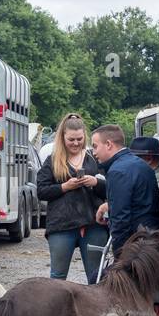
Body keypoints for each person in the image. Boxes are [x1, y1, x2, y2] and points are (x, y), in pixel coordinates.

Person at [36, 113, 109, 284]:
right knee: (58, 278)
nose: (76, 143)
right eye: (71, 139)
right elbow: (41, 191)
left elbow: (111, 189)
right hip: (62, 225)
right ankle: (57, 310)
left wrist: (96, 182)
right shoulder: (52, 160)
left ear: (85, 136)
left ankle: (96, 310)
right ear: (62, 137)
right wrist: (64, 187)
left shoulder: (94, 158)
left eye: (79, 139)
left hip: (93, 225)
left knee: (96, 277)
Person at [91, 124, 159, 256]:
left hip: (135, 245)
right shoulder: (140, 164)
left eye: (95, 146)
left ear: (108, 144)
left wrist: (120, 255)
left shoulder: (117, 171)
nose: (94, 152)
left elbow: (120, 219)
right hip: (151, 239)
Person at [130, 135, 159, 208]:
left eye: (134, 159)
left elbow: (141, 205)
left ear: (149, 159)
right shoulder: (151, 175)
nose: (130, 163)